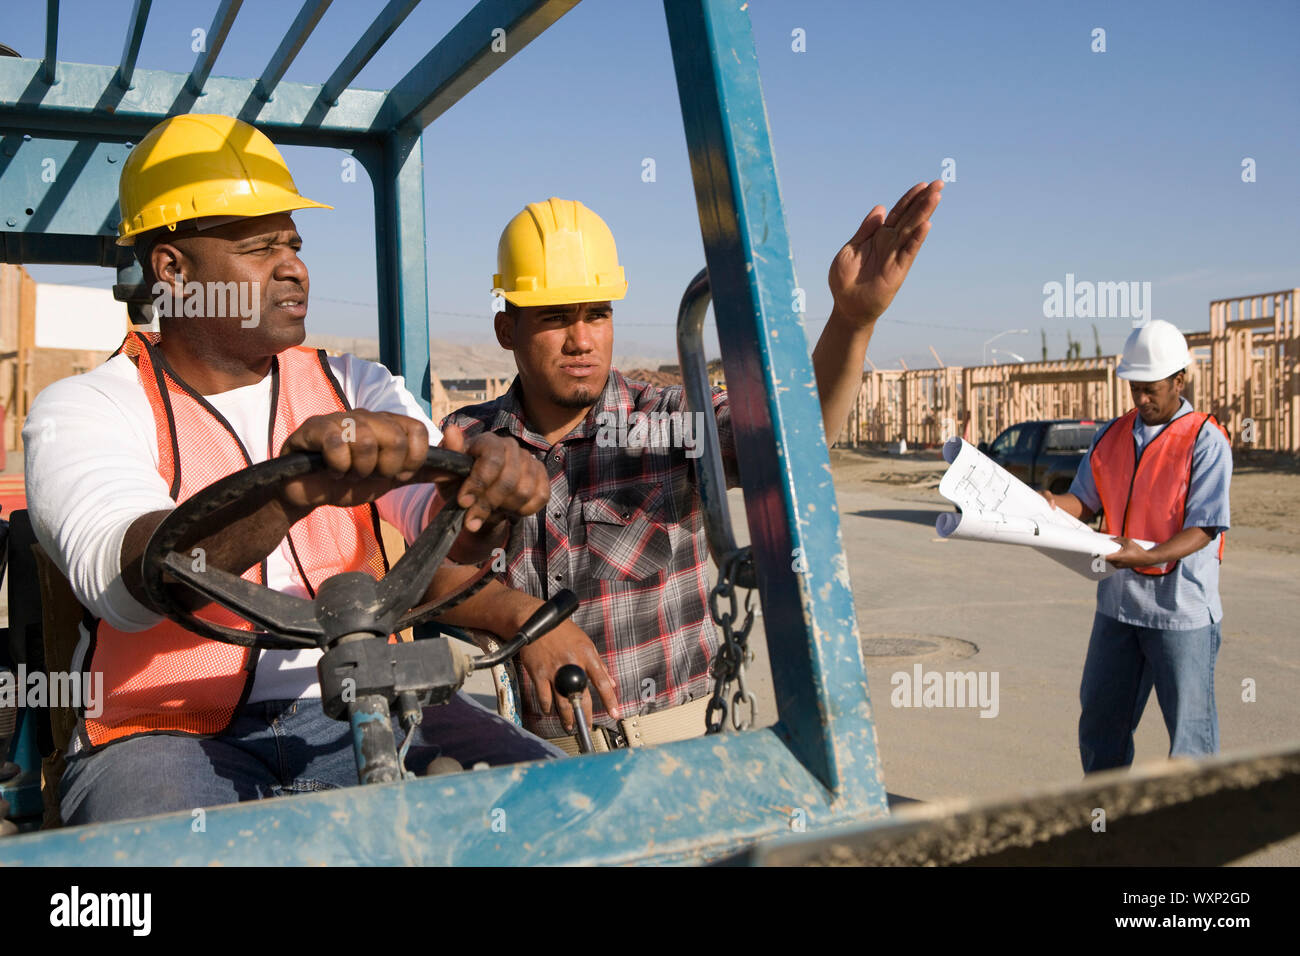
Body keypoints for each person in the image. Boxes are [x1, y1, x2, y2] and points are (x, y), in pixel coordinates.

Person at [23, 114, 565, 826]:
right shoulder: (86, 407)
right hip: (163, 735)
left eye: (294, 244)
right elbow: (125, 578)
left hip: (365, 697)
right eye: (260, 248)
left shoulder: (358, 385)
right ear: (173, 271)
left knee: (559, 810)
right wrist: (294, 490)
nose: (294, 267)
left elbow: (442, 536)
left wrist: (487, 495)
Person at [444, 186, 942, 750]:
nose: (581, 340)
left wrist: (852, 321)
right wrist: (523, 619)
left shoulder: (670, 421)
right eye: (556, 317)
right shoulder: (470, 441)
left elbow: (792, 443)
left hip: (677, 742)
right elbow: (431, 582)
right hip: (534, 751)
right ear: (507, 330)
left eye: (598, 314)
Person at [1044, 320, 1232, 772]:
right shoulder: (1111, 436)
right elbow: (1084, 502)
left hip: (1180, 613)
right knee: (1101, 728)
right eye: (1134, 389)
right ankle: (1105, 831)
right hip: (1118, 607)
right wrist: (1047, 506)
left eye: (1151, 389)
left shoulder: (1206, 439)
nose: (1141, 399)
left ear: (1179, 381)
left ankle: (1190, 837)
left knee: (1190, 742)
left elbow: (1205, 527)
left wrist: (1145, 555)